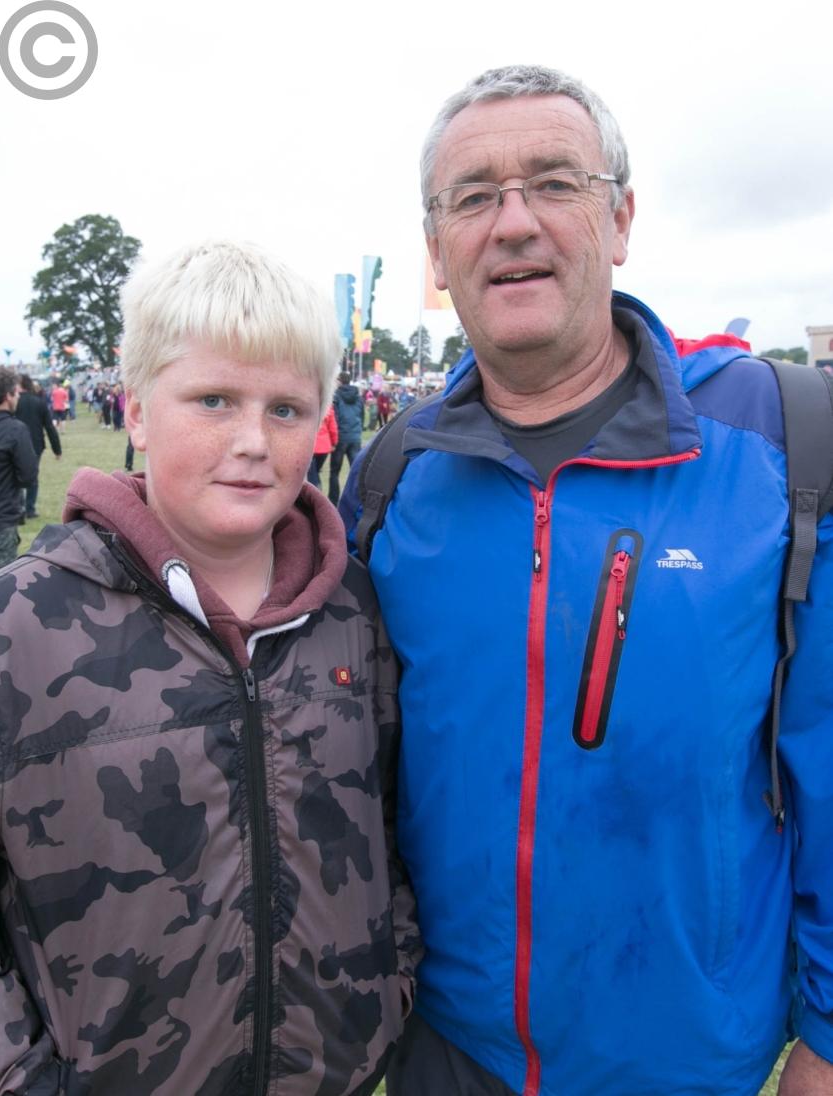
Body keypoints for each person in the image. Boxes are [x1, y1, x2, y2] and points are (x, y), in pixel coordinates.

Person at [340, 65, 833, 1096]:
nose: (513, 221)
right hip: (448, 1049)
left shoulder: (779, 445)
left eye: (555, 183)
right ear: (437, 249)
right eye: (473, 197)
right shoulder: (391, 480)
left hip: (685, 1060)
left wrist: (828, 1039)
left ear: (620, 220)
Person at [0, 240, 420, 1095]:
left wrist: (390, 983)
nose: (252, 442)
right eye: (214, 400)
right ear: (137, 413)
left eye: (286, 409)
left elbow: (394, 822)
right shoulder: (20, 624)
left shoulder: (357, 613)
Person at [0, 368, 37, 568]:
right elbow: (28, 476)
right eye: (16, 393)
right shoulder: (15, 430)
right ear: (8, 396)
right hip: (3, 518)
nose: (18, 397)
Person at [13, 373, 62, 518]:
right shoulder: (39, 402)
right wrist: (57, 449)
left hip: (15, 443)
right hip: (35, 444)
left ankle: (19, 508)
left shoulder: (12, 402)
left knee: (14, 476)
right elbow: (49, 427)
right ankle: (30, 509)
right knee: (32, 477)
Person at [328, 370, 365, 506]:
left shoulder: (336, 396)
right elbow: (361, 415)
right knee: (356, 471)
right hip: (355, 436)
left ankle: (333, 501)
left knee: (335, 472)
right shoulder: (358, 397)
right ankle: (358, 499)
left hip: (341, 437)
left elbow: (335, 418)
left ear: (339, 381)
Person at [307, 402, 339, 488]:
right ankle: (317, 488)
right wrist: (334, 443)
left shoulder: (307, 404)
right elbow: (333, 428)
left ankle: (316, 490)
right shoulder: (328, 407)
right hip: (324, 447)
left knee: (312, 475)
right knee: (315, 472)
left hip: (311, 446)